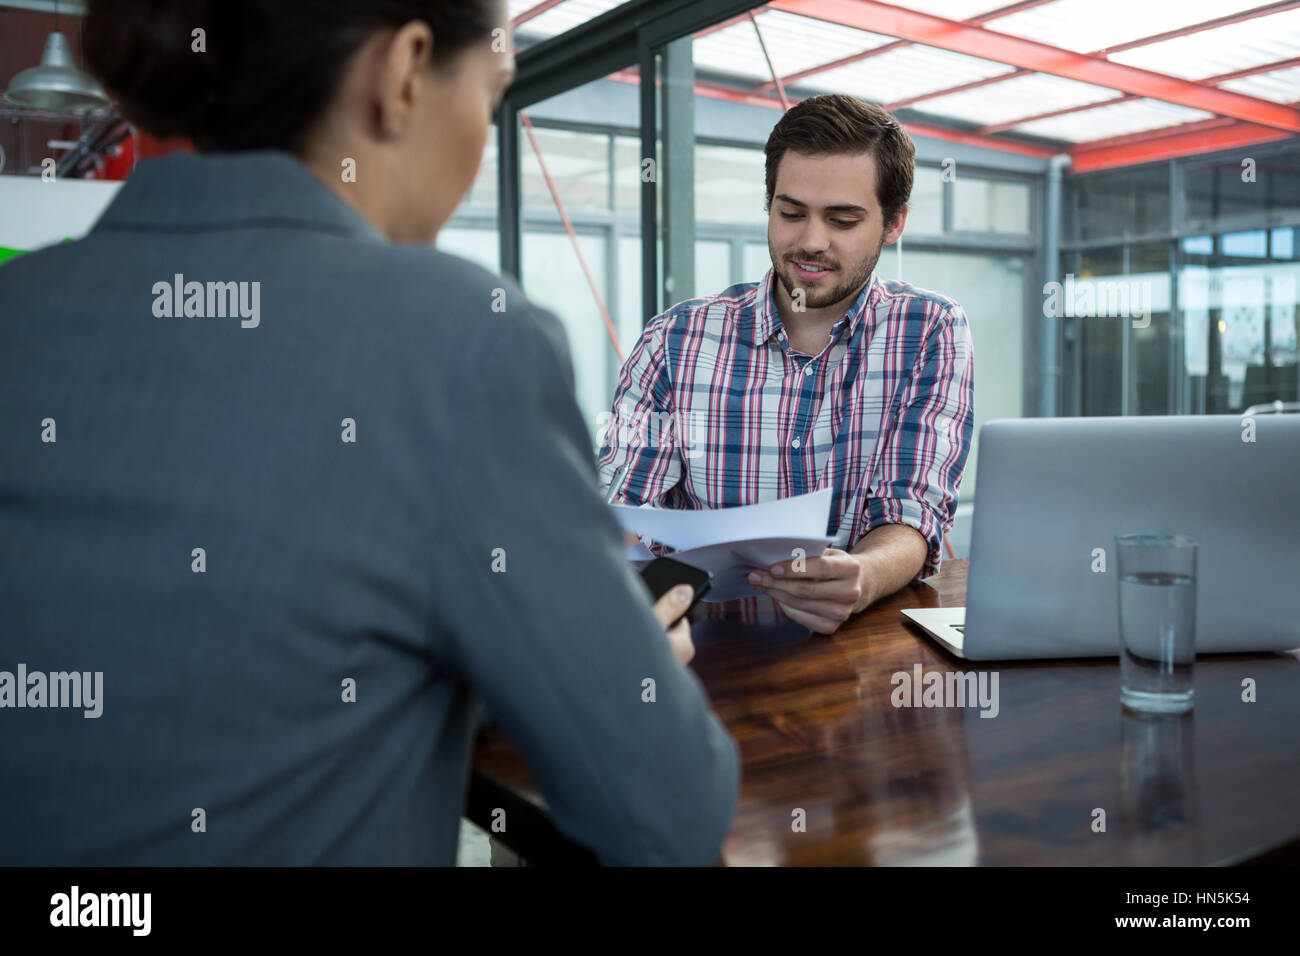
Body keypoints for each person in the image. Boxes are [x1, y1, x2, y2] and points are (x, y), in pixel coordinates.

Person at [0, 0, 736, 865]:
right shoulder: (457, 340)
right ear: (405, 73)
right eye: (493, 96)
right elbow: (668, 816)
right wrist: (619, 665)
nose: (483, 143)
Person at [599, 94, 975, 636]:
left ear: (894, 224)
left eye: (842, 220)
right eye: (790, 213)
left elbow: (911, 507)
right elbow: (623, 506)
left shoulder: (929, 330)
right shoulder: (674, 340)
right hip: (707, 646)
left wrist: (864, 575)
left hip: (865, 650)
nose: (810, 241)